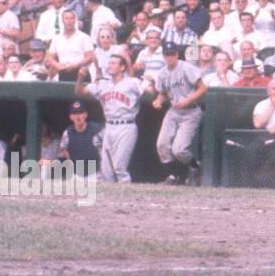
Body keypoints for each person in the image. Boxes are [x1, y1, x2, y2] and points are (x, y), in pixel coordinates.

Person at [75, 55, 153, 184]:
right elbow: (79, 92)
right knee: (106, 171)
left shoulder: (132, 82)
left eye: (113, 63)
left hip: (126, 126)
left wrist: (146, 80)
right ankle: (111, 201)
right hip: (109, 126)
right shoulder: (102, 83)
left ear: (122, 67)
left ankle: (128, 198)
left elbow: (151, 91)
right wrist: (80, 77)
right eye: (109, 63)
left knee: (119, 167)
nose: (109, 65)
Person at [152, 42, 207, 185]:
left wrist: (186, 101)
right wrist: (158, 101)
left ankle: (196, 167)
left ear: (177, 54)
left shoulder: (186, 68)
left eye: (172, 54)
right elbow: (162, 93)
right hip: (174, 111)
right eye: (167, 54)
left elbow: (202, 88)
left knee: (179, 150)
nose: (169, 57)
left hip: (191, 111)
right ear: (163, 56)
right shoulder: (163, 73)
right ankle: (173, 175)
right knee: (161, 145)